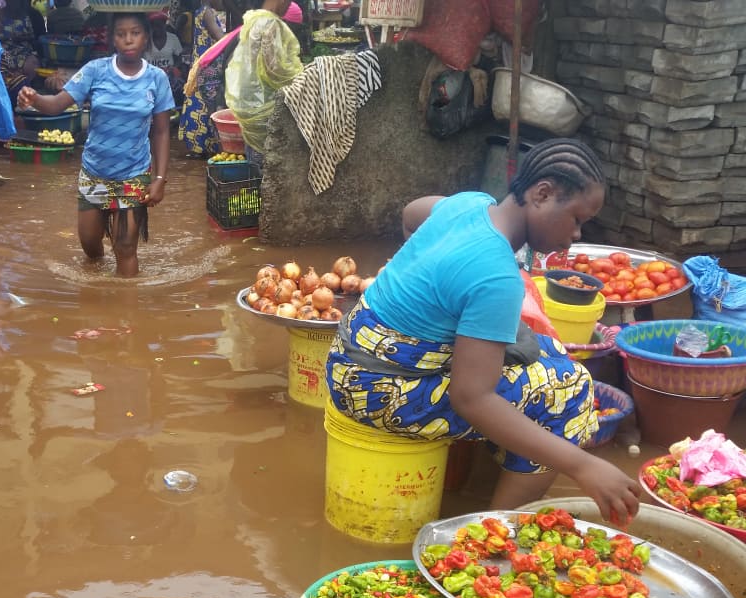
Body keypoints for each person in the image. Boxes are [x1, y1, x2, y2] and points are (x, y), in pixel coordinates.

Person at [326, 139, 641, 525]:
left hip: (349, 356)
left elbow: (411, 215)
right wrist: (584, 466)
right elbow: (471, 398)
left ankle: (496, 469)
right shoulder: (496, 276)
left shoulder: (469, 204)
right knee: (571, 391)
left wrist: (432, 279)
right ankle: (494, 529)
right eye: (577, 219)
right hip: (377, 392)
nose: (577, 233)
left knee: (548, 352)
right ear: (542, 194)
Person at [17, 13, 175, 278]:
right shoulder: (95, 70)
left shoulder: (157, 78)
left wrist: (159, 179)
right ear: (112, 39)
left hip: (133, 173)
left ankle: (127, 314)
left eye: (135, 33)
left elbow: (161, 132)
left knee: (125, 248)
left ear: (145, 36)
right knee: (90, 244)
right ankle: (96, 301)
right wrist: (33, 98)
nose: (128, 40)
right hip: (95, 171)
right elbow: (57, 104)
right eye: (121, 34)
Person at [224, 0, 303, 157]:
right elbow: (275, 70)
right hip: (263, 106)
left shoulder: (255, 20)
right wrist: (304, 76)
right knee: (268, 164)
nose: (289, 4)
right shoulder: (270, 23)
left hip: (249, 103)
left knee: (254, 160)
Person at [177, 0, 227, 157]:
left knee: (200, 103)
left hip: (202, 63)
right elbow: (219, 37)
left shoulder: (200, 11)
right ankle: (209, 146)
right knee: (209, 104)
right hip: (209, 66)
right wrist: (238, 36)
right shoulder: (207, 12)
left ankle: (200, 147)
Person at [0, 0, 46, 93]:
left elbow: (35, 37)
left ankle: (27, 88)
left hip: (23, 51)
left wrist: (21, 38)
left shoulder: (28, 15)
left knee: (33, 64)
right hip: (3, 51)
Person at [144, 12, 186, 104]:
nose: (157, 29)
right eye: (154, 26)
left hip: (169, 74)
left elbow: (179, 58)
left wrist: (174, 68)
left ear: (164, 25)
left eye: (159, 26)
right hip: (150, 74)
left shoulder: (173, 39)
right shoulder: (145, 40)